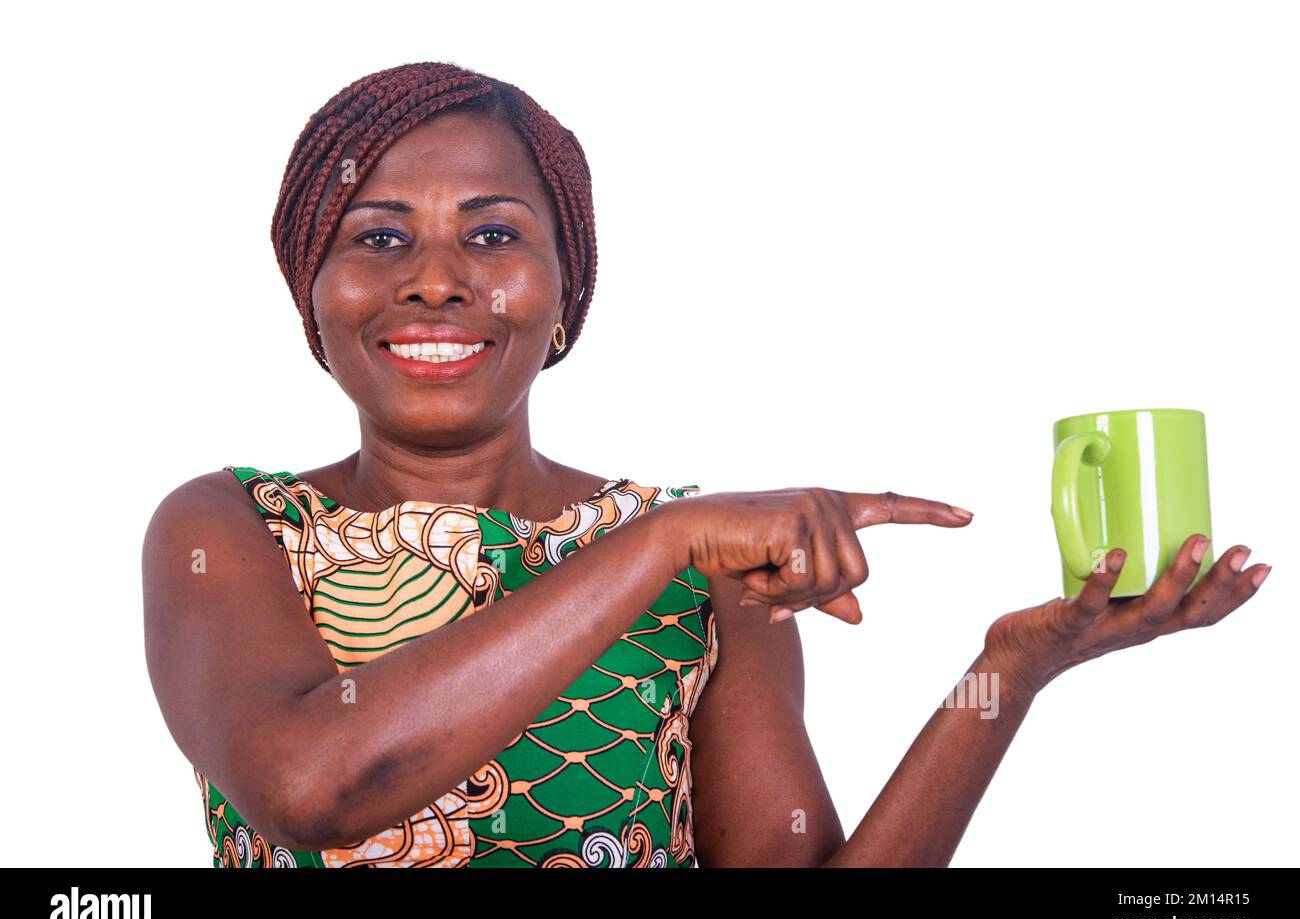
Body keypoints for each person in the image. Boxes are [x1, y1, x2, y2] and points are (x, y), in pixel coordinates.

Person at [141, 61, 1270, 868]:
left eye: (493, 235)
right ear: (313, 296)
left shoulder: (713, 567)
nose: (435, 279)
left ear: (564, 295)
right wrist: (662, 542)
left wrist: (1008, 675)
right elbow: (310, 789)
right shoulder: (227, 530)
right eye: (377, 236)